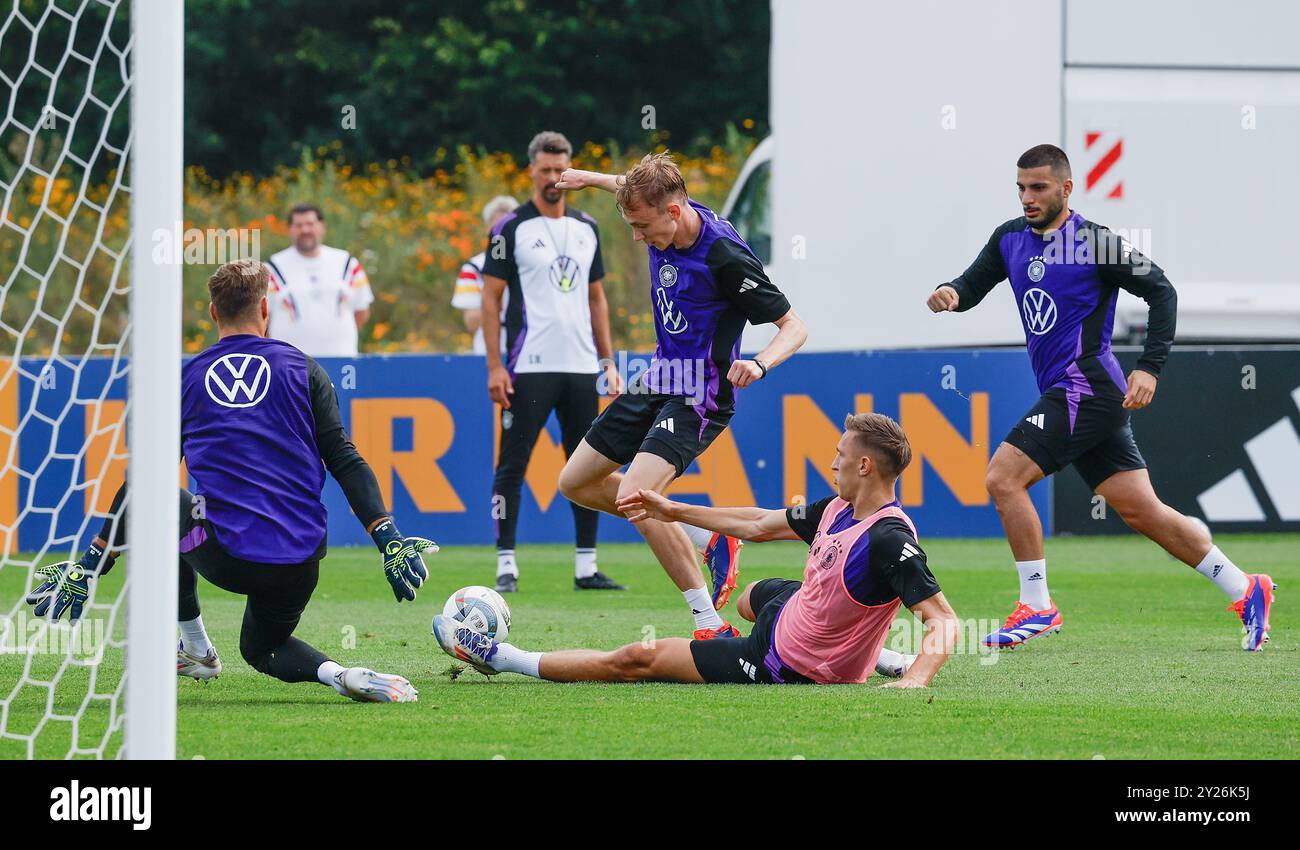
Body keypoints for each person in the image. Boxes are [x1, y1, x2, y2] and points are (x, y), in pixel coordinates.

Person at [27, 259, 436, 702]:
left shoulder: (185, 378)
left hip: (223, 555)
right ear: (265, 309)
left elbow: (148, 483)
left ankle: (197, 649)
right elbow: (344, 458)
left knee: (172, 511)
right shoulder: (304, 369)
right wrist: (388, 536)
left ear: (212, 313)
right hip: (298, 561)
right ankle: (341, 674)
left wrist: (92, 563)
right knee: (263, 647)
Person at [927, 143, 1274, 651]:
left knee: (1002, 477)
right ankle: (1246, 588)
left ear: (1067, 188)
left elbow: (1162, 291)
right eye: (1021, 188)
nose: (1028, 197)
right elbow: (972, 284)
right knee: (1144, 513)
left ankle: (1038, 605)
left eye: (1039, 187)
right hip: (1078, 395)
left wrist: (1150, 368)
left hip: (1085, 388)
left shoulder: (1094, 242)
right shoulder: (1010, 239)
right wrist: (950, 293)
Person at [433, 413, 957, 688]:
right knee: (751, 597)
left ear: (866, 467)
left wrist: (916, 682)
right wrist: (676, 512)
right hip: (792, 614)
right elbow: (754, 522)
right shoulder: (837, 508)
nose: (832, 463)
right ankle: (879, 655)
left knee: (639, 658)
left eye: (840, 456)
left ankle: (504, 659)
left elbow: (946, 623)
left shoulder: (889, 539)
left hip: (781, 660)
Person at [550, 152, 808, 640]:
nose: (636, 236)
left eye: (642, 226)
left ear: (672, 211)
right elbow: (636, 184)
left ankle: (707, 622)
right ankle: (708, 536)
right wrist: (589, 179)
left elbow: (794, 326)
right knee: (575, 481)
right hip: (659, 375)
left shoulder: (725, 257)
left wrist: (758, 362)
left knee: (634, 497)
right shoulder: (662, 203)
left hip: (700, 392)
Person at [480, 132, 625, 594]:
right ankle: (506, 564)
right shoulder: (509, 228)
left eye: (559, 170)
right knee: (512, 465)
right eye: (544, 170)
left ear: (570, 170)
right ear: (531, 171)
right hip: (529, 366)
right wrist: (495, 366)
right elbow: (490, 300)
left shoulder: (587, 228)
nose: (552, 179)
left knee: (586, 467)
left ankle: (586, 566)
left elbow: (597, 298)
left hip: (581, 367)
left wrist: (609, 362)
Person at [266, 203, 374, 357]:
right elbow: (261, 318)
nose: (305, 230)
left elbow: (362, 311)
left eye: (310, 224)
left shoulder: (347, 263)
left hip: (341, 360)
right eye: (298, 225)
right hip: (290, 365)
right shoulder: (271, 268)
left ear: (322, 226)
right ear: (290, 229)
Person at [452, 195, 518, 355]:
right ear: (487, 228)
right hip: (490, 347)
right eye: (498, 227)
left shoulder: (533, 262)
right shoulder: (475, 267)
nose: (503, 235)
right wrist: (495, 300)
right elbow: (471, 322)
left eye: (508, 227)